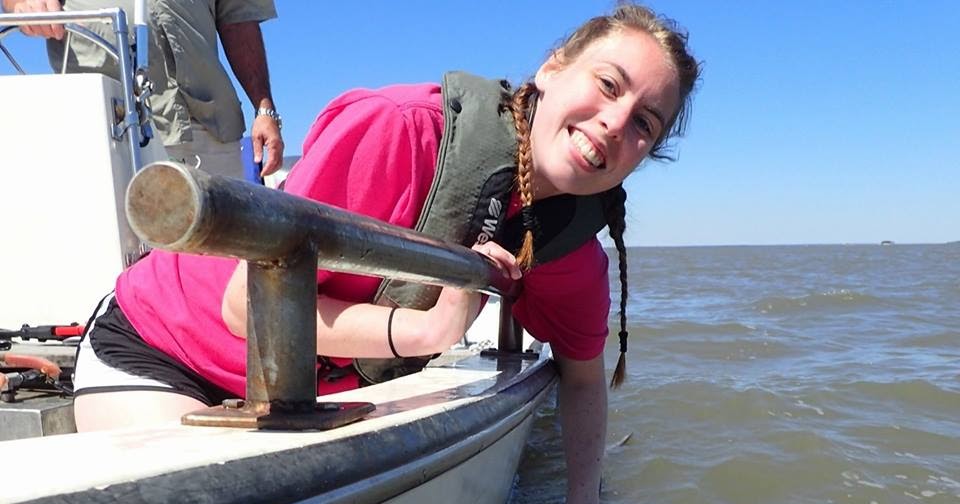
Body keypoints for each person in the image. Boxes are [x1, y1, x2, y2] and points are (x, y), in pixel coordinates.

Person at [69, 3, 699, 502]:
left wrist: (583, 497)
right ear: (554, 67)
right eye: (609, 84)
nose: (617, 122)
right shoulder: (399, 129)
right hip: (163, 349)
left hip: (307, 395)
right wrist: (427, 330)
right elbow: (246, 308)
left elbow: (584, 378)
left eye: (645, 122)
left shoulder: (568, 250)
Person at [2, 0, 284, 178]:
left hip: (206, 128)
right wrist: (21, 5)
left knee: (222, 264)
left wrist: (265, 108)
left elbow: (239, 18)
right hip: (101, 132)